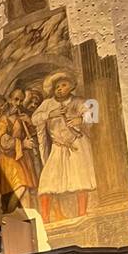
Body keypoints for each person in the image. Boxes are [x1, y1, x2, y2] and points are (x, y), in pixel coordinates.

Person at [32, 72, 97, 223]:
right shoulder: (48, 104)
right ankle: (46, 220)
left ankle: (82, 215)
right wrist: (50, 114)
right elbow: (35, 119)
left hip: (77, 144)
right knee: (47, 183)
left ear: (71, 86)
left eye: (63, 85)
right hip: (58, 146)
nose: (60, 89)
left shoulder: (79, 101)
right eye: (57, 87)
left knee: (80, 181)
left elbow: (93, 116)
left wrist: (80, 119)